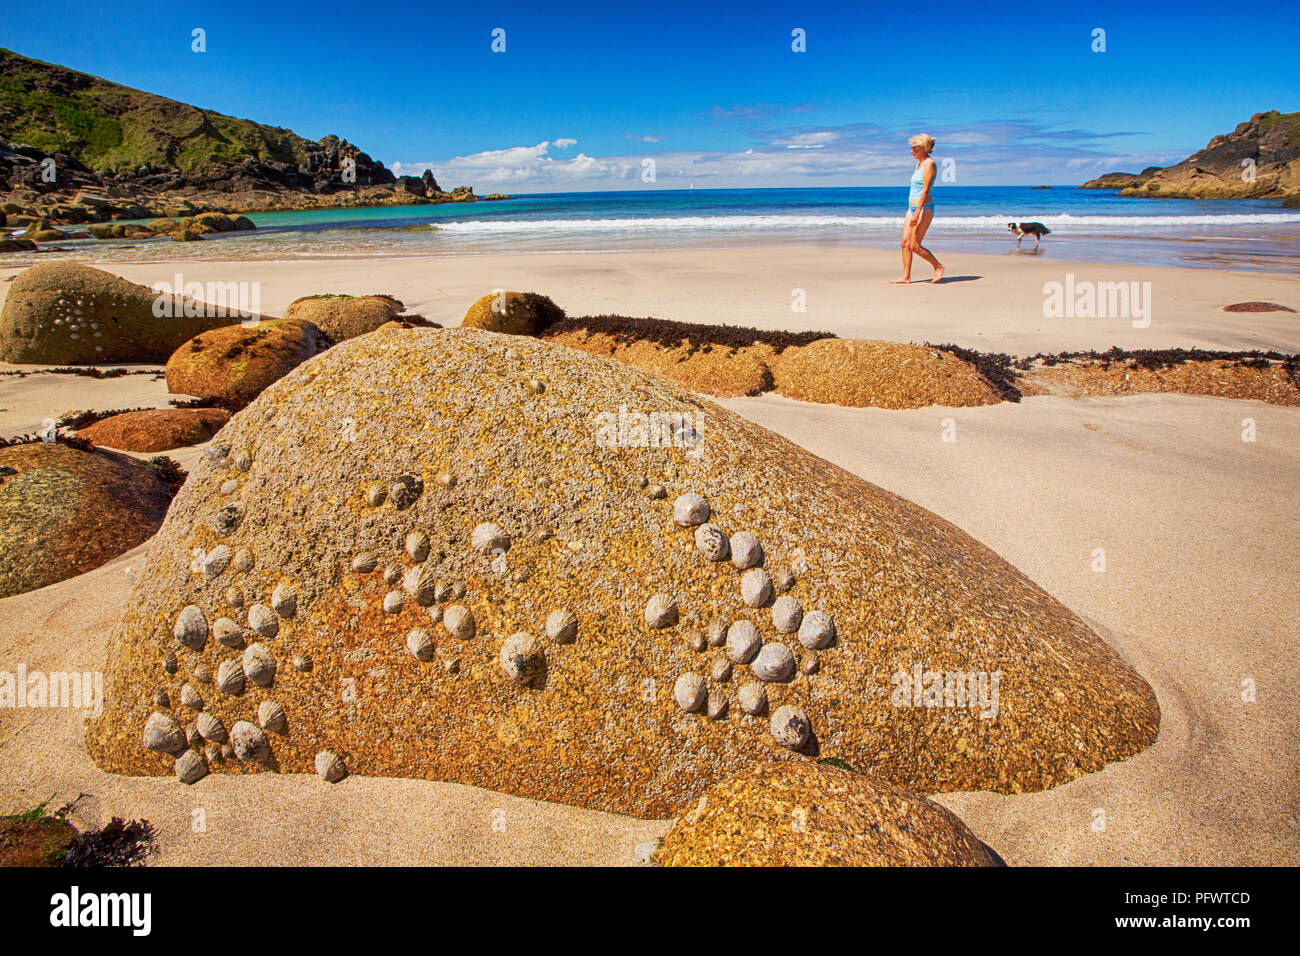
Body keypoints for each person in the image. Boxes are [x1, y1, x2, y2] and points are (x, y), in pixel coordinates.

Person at [890, 134, 944, 284]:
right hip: (911, 207)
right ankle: (906, 276)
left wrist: (917, 212)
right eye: (911, 148)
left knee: (914, 245)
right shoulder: (918, 164)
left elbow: (925, 191)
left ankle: (938, 266)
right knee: (904, 243)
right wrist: (913, 211)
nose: (911, 151)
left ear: (923, 148)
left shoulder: (929, 164)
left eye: (914, 148)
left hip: (924, 208)